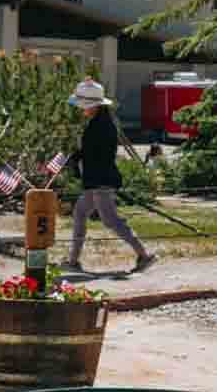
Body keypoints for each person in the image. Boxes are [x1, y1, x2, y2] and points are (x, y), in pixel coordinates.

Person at [62, 79, 155, 275]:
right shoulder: (100, 122)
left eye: (82, 105)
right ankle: (73, 261)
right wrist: (77, 156)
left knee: (111, 220)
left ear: (92, 105)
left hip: (100, 181)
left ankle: (144, 255)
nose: (81, 109)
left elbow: (96, 154)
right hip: (96, 180)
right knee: (80, 214)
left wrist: (77, 157)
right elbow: (91, 151)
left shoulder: (100, 126)